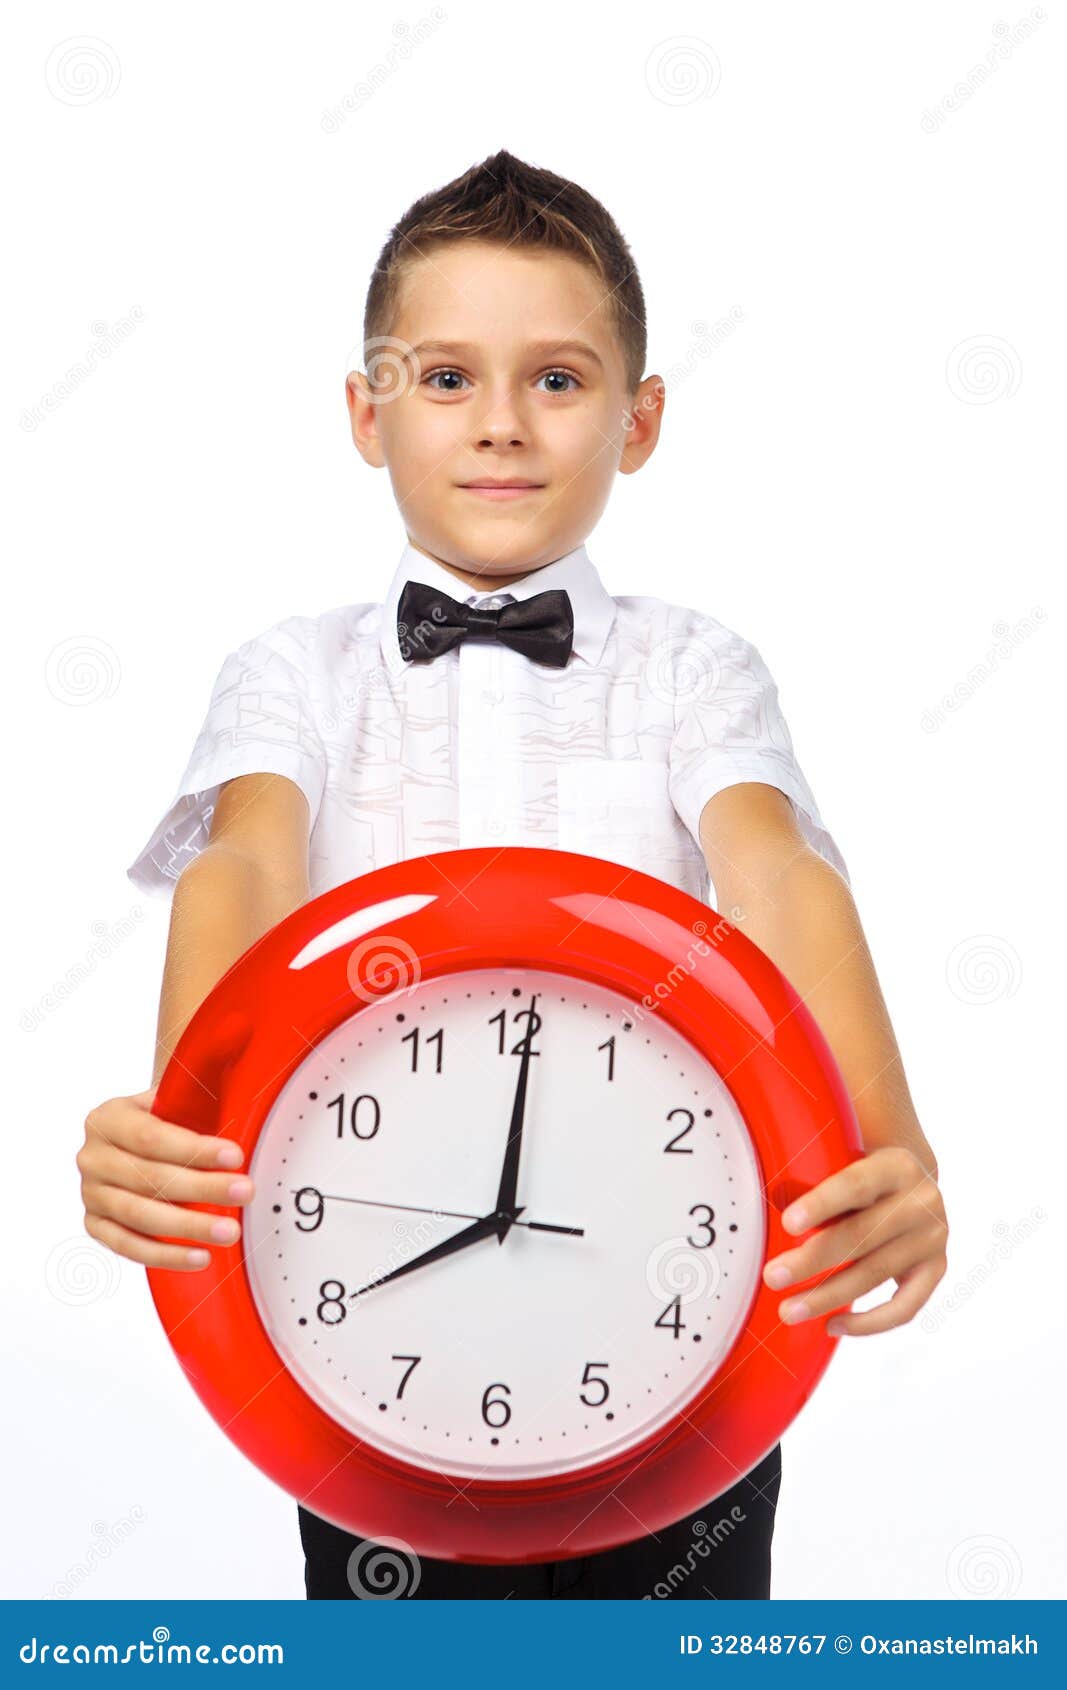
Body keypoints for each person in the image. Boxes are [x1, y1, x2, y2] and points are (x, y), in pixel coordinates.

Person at [76, 149, 947, 1600]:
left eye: (556, 378)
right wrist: (190, 1118)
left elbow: (776, 868)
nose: (500, 425)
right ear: (366, 410)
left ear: (641, 417)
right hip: (360, 1327)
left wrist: (887, 1146)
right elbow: (243, 858)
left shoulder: (691, 667)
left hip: (674, 1308)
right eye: (443, 379)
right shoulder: (296, 671)